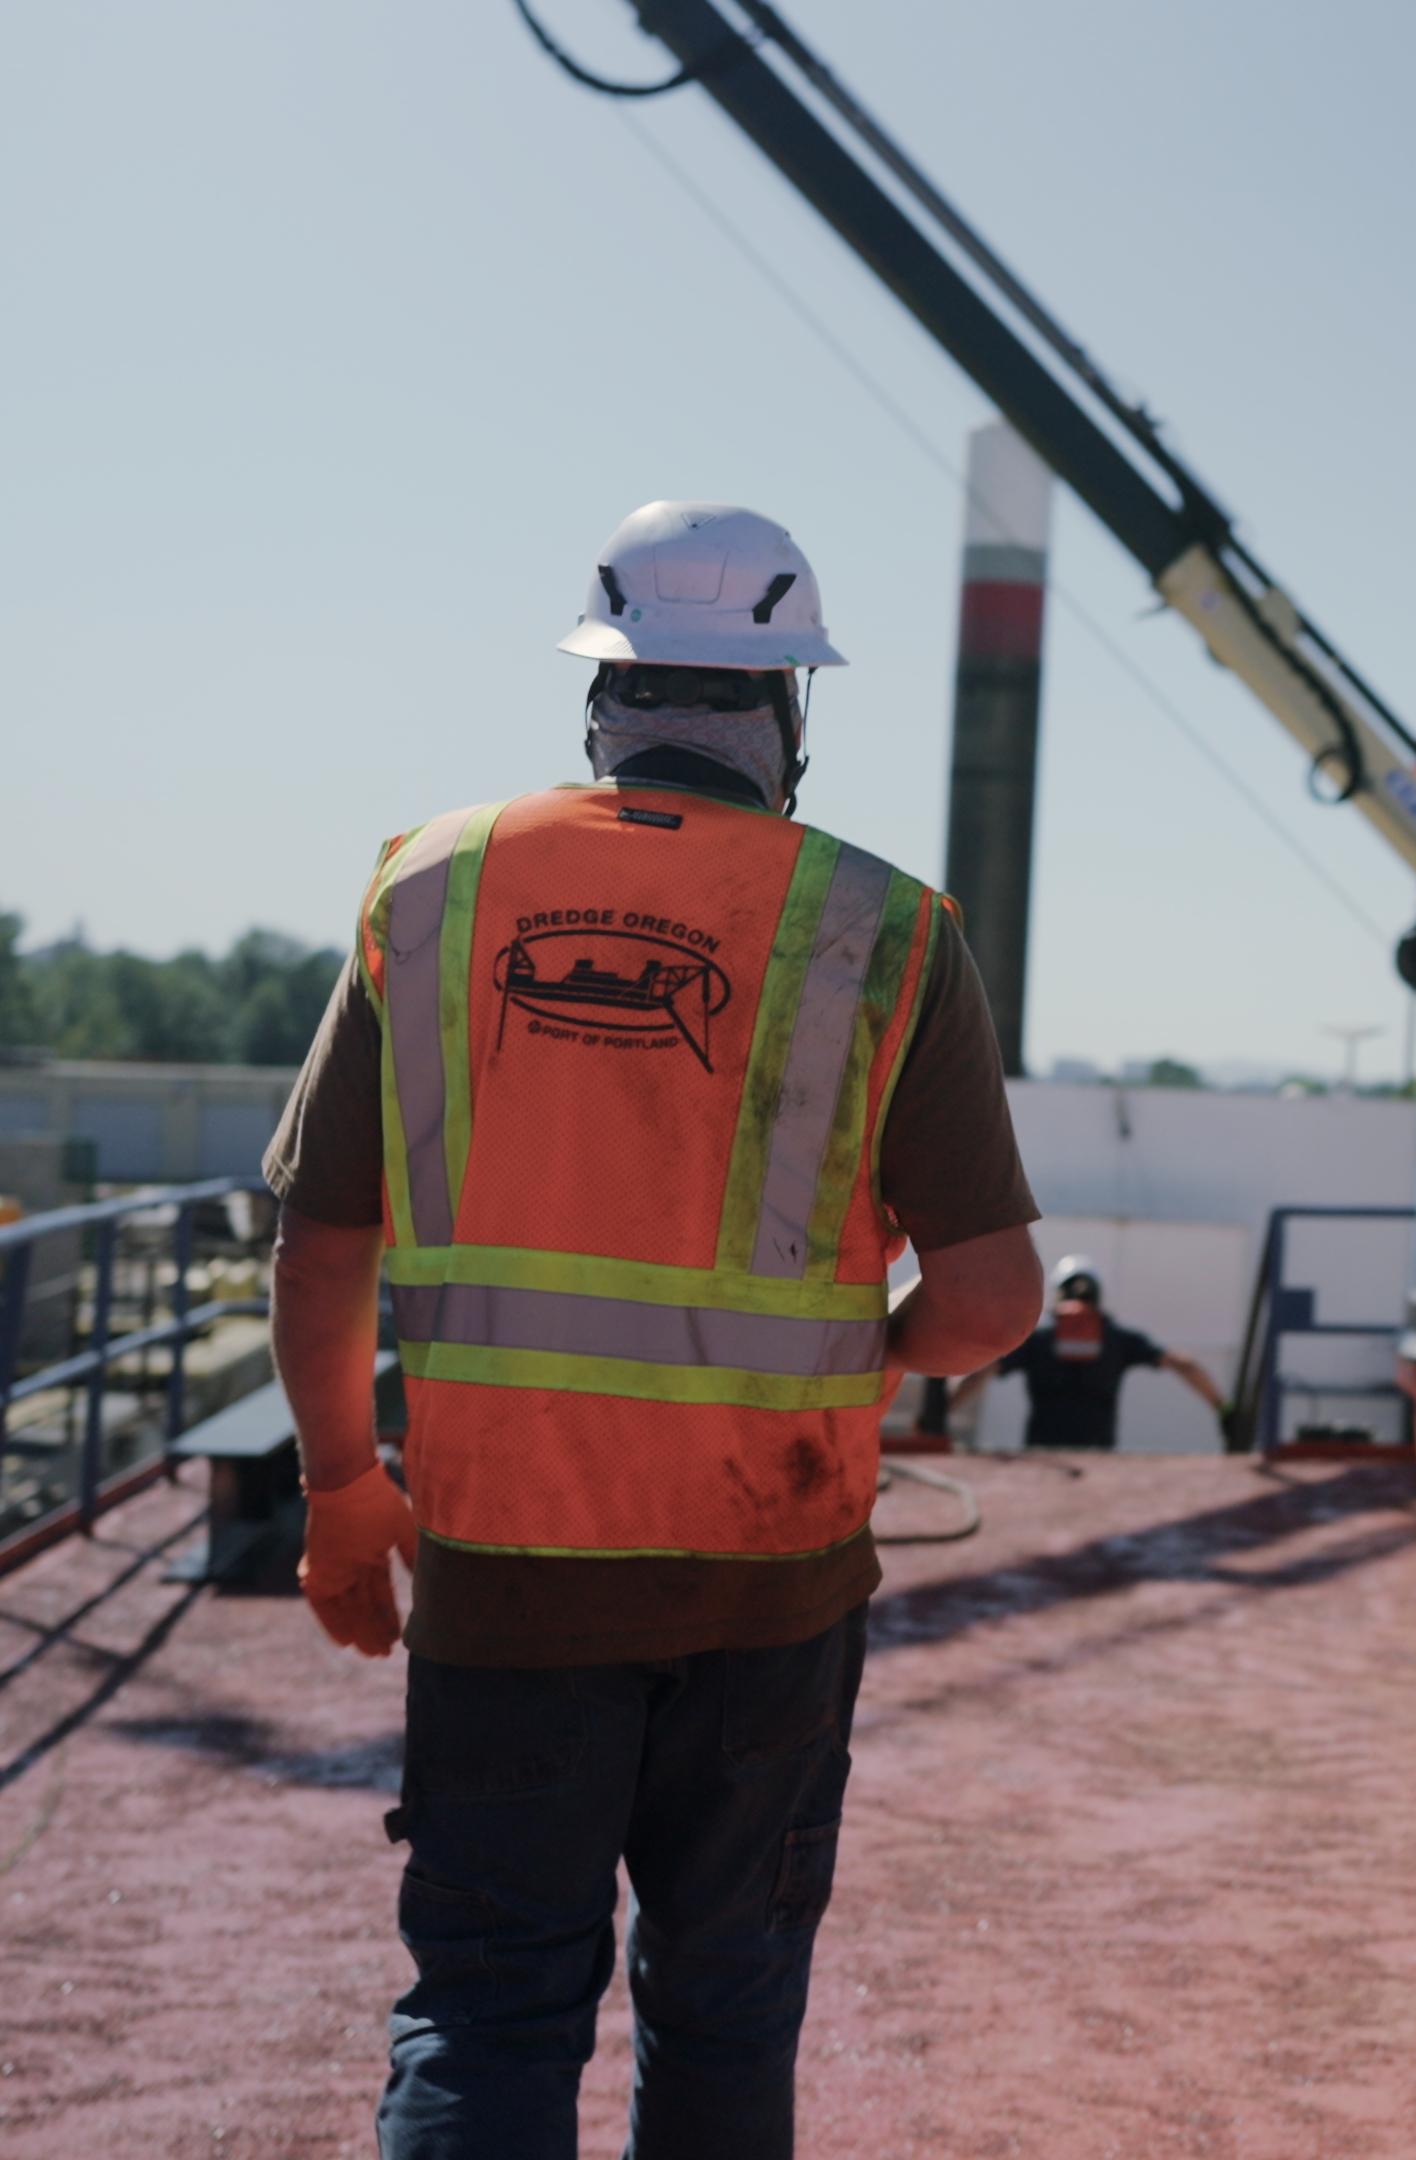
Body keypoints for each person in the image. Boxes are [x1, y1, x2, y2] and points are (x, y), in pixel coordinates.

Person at [263, 501, 1046, 2160]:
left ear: (602, 697)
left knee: (486, 2011)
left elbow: (323, 1239)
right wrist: (867, 1358)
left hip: (505, 1570)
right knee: (723, 2009)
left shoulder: (433, 890)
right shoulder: (889, 933)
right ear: (791, 718)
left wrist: (343, 1488)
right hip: (775, 1578)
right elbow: (989, 1304)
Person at [958, 1253, 1228, 1451]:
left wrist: (935, 1417)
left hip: (1043, 1460)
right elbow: (1183, 1364)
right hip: (1100, 1458)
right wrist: (1225, 1410)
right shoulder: (1119, 1339)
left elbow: (980, 1372)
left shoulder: (1036, 1340)